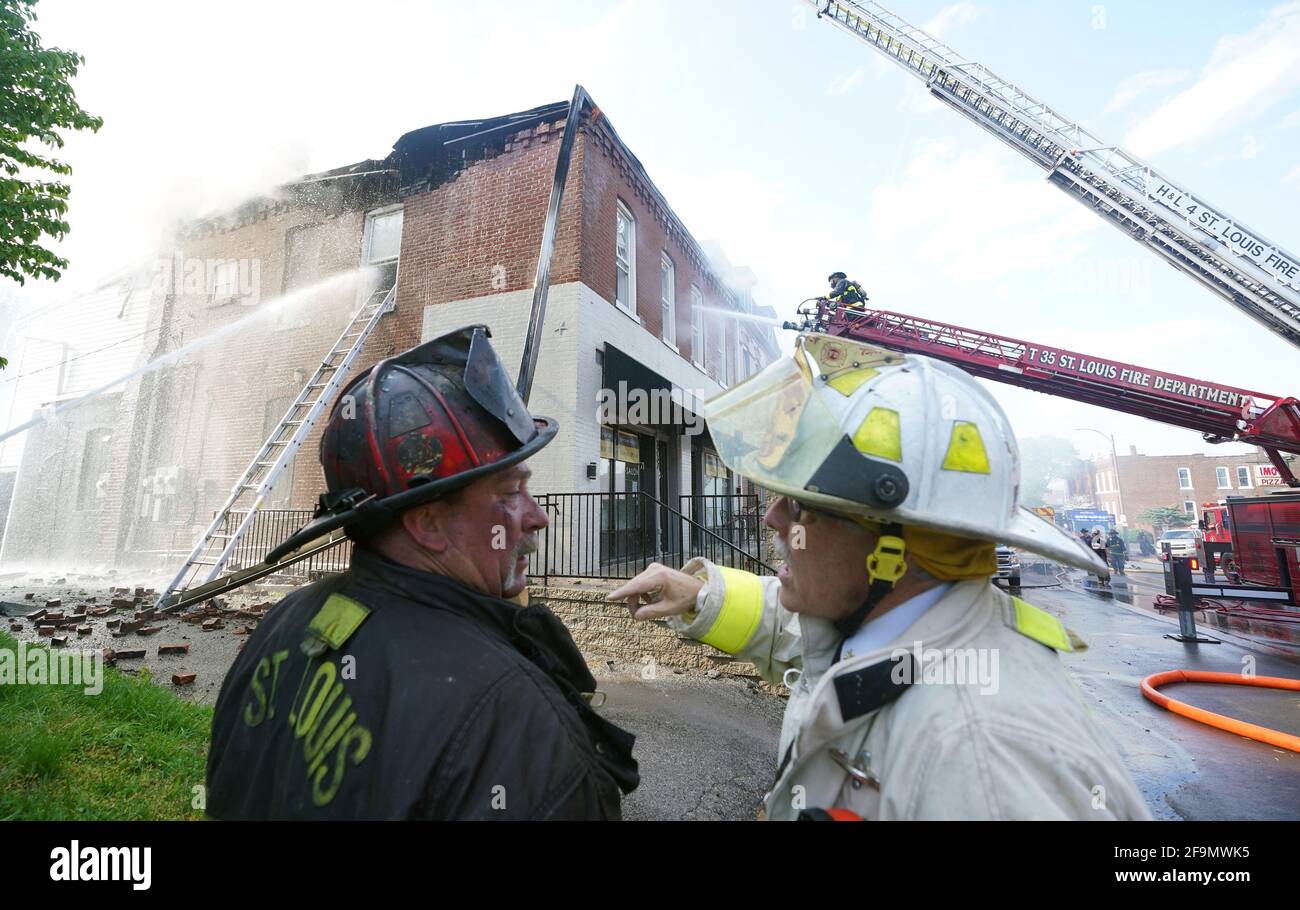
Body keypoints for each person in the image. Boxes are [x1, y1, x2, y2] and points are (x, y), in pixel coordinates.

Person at [608, 331, 1149, 820]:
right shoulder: (895, 623)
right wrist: (699, 596)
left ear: (893, 546)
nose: (773, 518)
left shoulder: (982, 760)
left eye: (802, 506)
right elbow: (806, 639)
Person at [206, 325, 638, 819]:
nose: (538, 516)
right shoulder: (515, 722)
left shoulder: (283, 625)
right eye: (509, 494)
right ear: (429, 523)